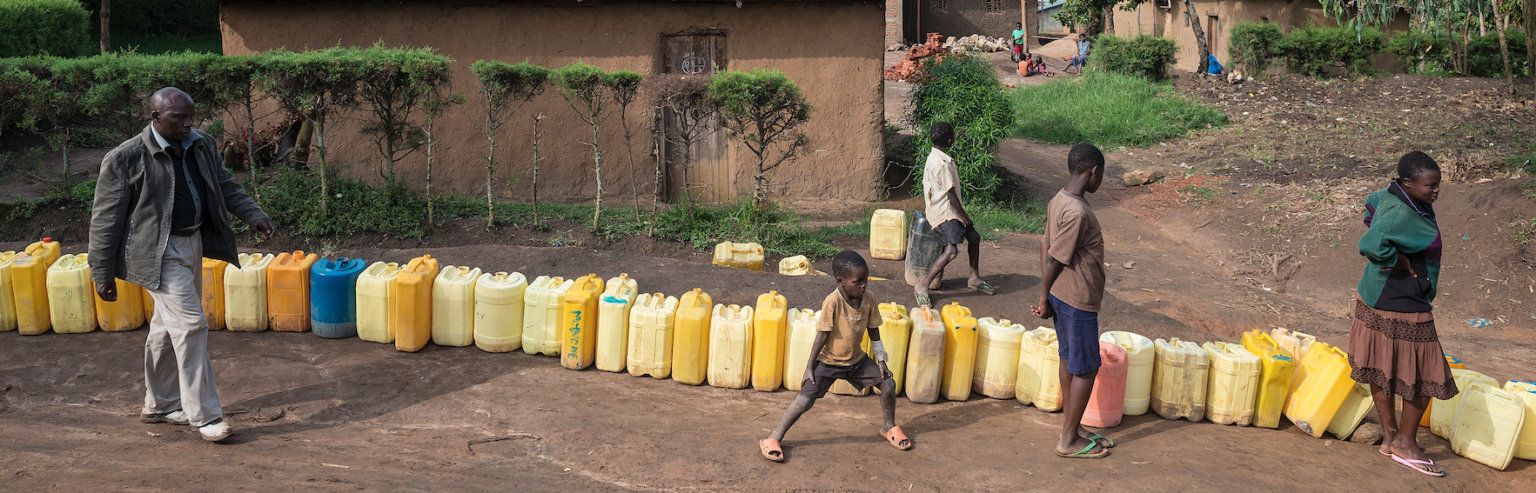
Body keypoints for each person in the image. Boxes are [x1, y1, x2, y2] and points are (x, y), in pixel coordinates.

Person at [89, 87, 276, 442]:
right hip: (155, 252)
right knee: (190, 325)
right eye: (180, 117)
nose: (189, 123)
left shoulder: (201, 144)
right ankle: (205, 416)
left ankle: (160, 405)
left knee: (165, 328)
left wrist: (254, 215)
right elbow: (105, 219)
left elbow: (225, 185)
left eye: (191, 116)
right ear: (155, 117)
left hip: (192, 243)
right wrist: (102, 271)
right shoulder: (126, 158)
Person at [1351, 151, 1456, 477]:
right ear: (1408, 183)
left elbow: (1372, 203)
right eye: (1430, 185)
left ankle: (1391, 438)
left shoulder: (1395, 195)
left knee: (1382, 366)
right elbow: (1371, 243)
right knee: (1426, 376)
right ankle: (1406, 445)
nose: (1436, 190)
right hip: (1399, 298)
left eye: (1438, 184)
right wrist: (1397, 260)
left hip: (1379, 293)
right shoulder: (1399, 210)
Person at [760, 250, 909, 462]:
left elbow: (873, 330)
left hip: (856, 361)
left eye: (866, 280)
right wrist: (809, 367)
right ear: (841, 281)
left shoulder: (869, 298)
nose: (863, 285)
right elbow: (822, 335)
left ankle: (889, 427)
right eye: (858, 282)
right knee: (804, 402)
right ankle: (773, 438)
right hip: (828, 362)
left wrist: (881, 360)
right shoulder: (832, 302)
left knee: (888, 384)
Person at [1031, 143, 1112, 459]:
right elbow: (1054, 257)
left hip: (1062, 295)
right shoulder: (1078, 212)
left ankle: (1073, 427)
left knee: (1068, 359)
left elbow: (1045, 244)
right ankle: (1068, 440)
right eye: (1101, 174)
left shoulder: (1059, 199)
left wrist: (1049, 294)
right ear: (1094, 171)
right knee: (1087, 368)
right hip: (1077, 299)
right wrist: (1043, 296)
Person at [915, 122, 994, 307]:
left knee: (974, 237)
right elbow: (950, 194)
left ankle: (973, 278)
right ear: (950, 141)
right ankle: (923, 285)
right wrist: (965, 217)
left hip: (947, 210)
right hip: (945, 213)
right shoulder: (942, 164)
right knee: (951, 252)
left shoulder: (934, 157)